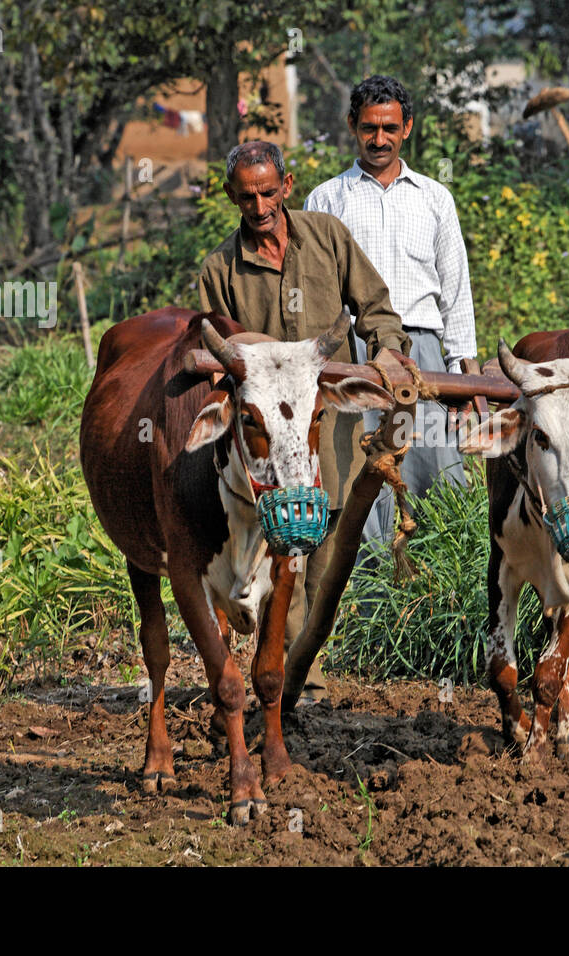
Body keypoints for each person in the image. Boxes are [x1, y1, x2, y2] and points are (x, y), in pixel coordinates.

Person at [198, 140, 411, 702]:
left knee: (326, 556)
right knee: (282, 552)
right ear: (231, 198)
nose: (260, 205)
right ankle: (296, 683)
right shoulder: (220, 269)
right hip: (267, 444)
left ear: (287, 187)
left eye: (269, 191)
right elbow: (215, 354)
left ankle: (300, 665)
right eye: (247, 197)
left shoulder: (328, 238)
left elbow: (377, 309)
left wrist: (387, 352)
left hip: (328, 426)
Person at [304, 75, 477, 550]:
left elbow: (456, 292)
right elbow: (315, 295)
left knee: (431, 469)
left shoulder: (434, 198)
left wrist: (469, 378)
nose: (378, 139)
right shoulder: (324, 201)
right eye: (368, 127)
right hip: (354, 355)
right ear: (352, 127)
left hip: (420, 353)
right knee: (361, 472)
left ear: (407, 129)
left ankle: (442, 598)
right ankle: (366, 602)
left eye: (389, 128)